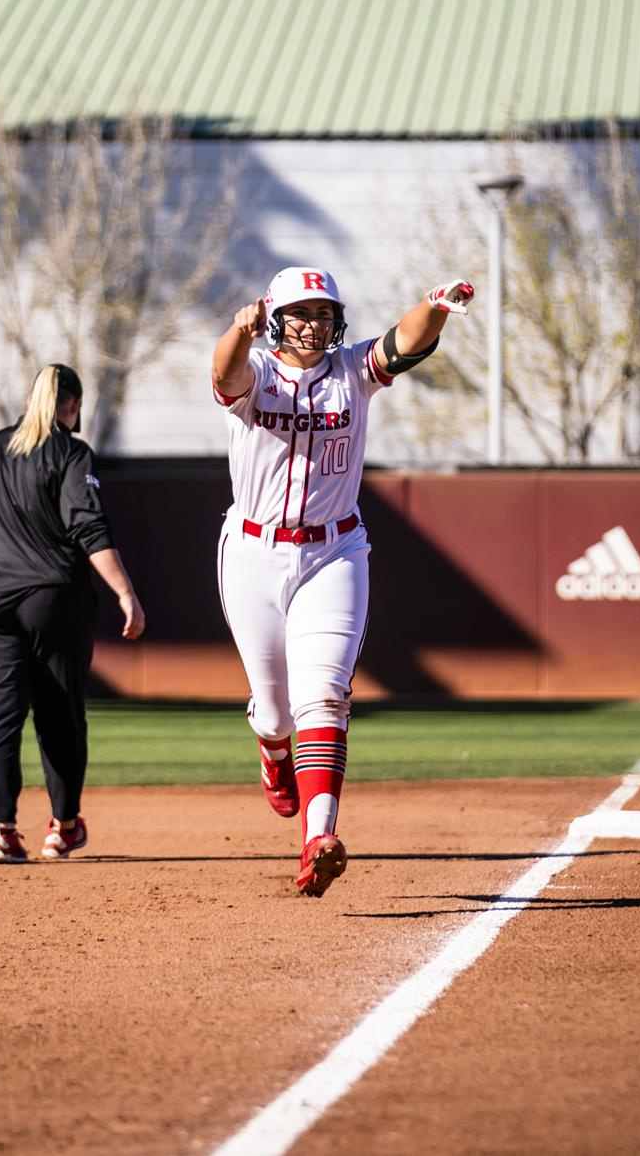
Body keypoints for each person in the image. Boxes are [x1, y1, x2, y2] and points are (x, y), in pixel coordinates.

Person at [211, 267, 473, 896]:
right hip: (253, 552)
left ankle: (317, 839)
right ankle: (273, 750)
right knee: (275, 712)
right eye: (301, 312)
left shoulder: (351, 371)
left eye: (324, 312)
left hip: (335, 551)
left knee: (325, 695)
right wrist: (238, 332)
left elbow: (403, 343)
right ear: (275, 318)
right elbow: (224, 374)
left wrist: (435, 304)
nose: (314, 323)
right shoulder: (258, 370)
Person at [0, 363, 146, 864]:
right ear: (72, 405)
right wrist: (125, 592)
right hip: (52, 599)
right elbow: (88, 526)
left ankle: (0, 831)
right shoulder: (71, 452)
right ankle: (64, 827)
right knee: (60, 713)